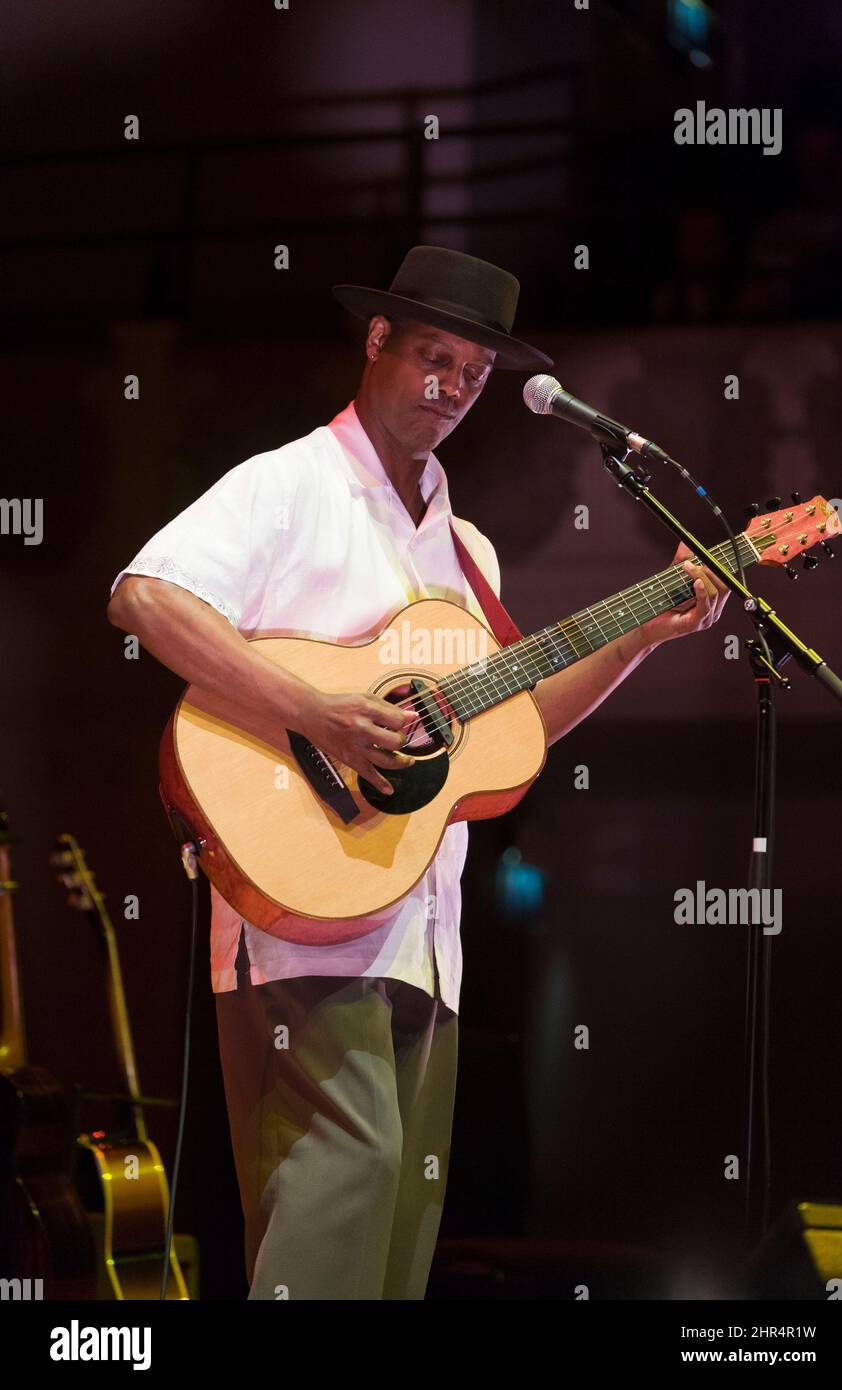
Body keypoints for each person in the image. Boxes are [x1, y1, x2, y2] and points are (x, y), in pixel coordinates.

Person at [107, 245, 729, 1300]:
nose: (448, 385)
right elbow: (145, 596)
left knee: (394, 1246)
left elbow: (516, 723)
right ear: (375, 342)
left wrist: (641, 638)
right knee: (344, 1190)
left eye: (472, 371)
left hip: (419, 933)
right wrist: (319, 715)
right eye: (430, 355)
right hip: (299, 905)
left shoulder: (466, 553)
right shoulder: (289, 484)